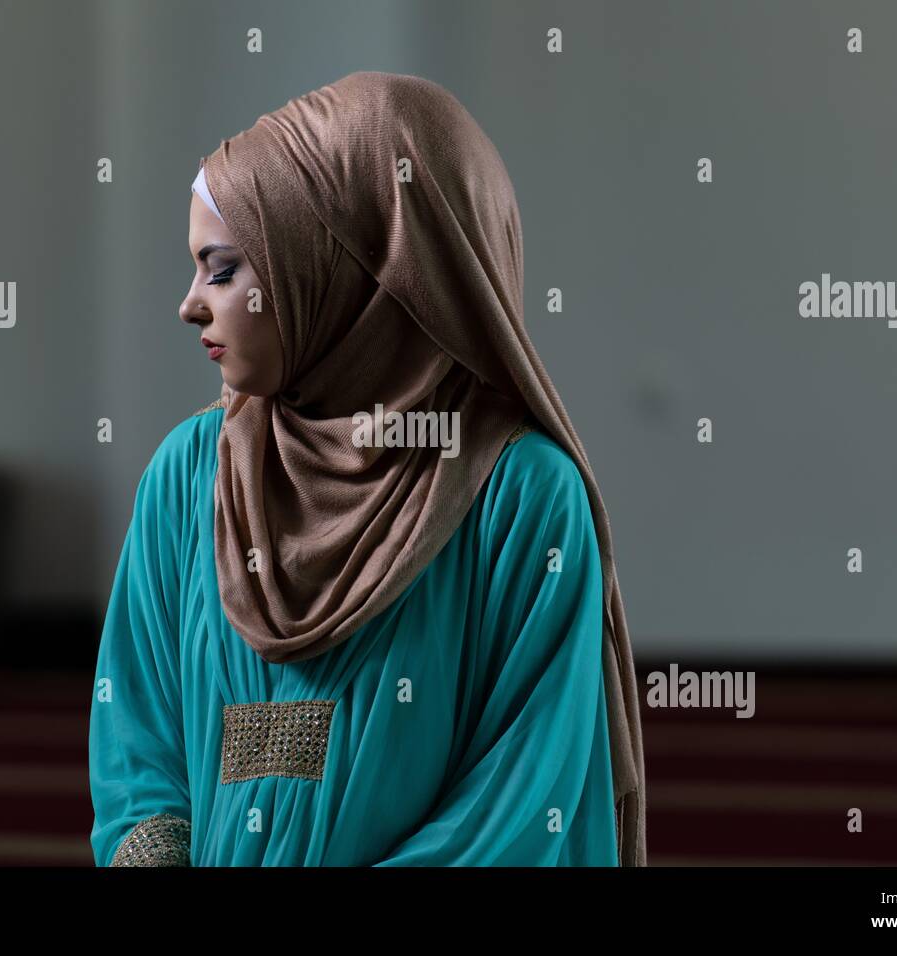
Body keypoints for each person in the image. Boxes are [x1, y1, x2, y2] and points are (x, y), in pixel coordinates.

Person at [88, 71, 645, 866]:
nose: (190, 304)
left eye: (222, 270)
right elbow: (136, 741)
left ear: (340, 267)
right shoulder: (188, 475)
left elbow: (521, 808)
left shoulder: (521, 497)